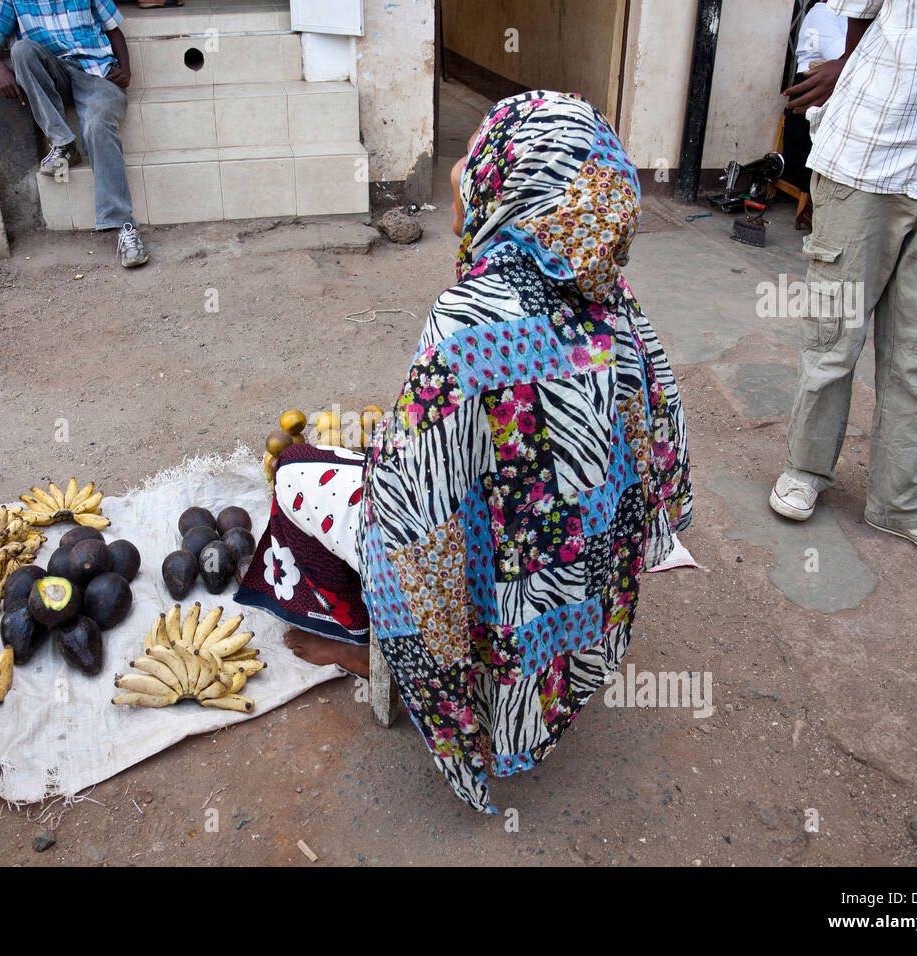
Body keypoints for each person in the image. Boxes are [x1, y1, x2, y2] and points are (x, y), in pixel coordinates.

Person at [235, 91, 692, 812]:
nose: (461, 168)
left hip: (496, 584)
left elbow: (412, 504)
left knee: (297, 474)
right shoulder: (615, 300)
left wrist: (362, 461)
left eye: (480, 151)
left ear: (519, 184)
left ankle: (371, 652)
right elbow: (653, 448)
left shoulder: (467, 323)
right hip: (575, 581)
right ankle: (534, 690)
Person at [771, 0, 917, 571]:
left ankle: (905, 506)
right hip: (869, 150)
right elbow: (858, 7)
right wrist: (847, 60)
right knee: (835, 337)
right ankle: (805, 471)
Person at [0, 0, 149, 269]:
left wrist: (125, 69)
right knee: (21, 50)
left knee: (96, 127)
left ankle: (124, 227)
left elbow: (114, 29)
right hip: (52, 72)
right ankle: (63, 142)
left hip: (97, 73)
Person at [783, 1, 847, 228]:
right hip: (812, 100)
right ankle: (818, 204)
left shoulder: (849, 18)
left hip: (833, 96)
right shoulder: (824, 11)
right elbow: (845, 57)